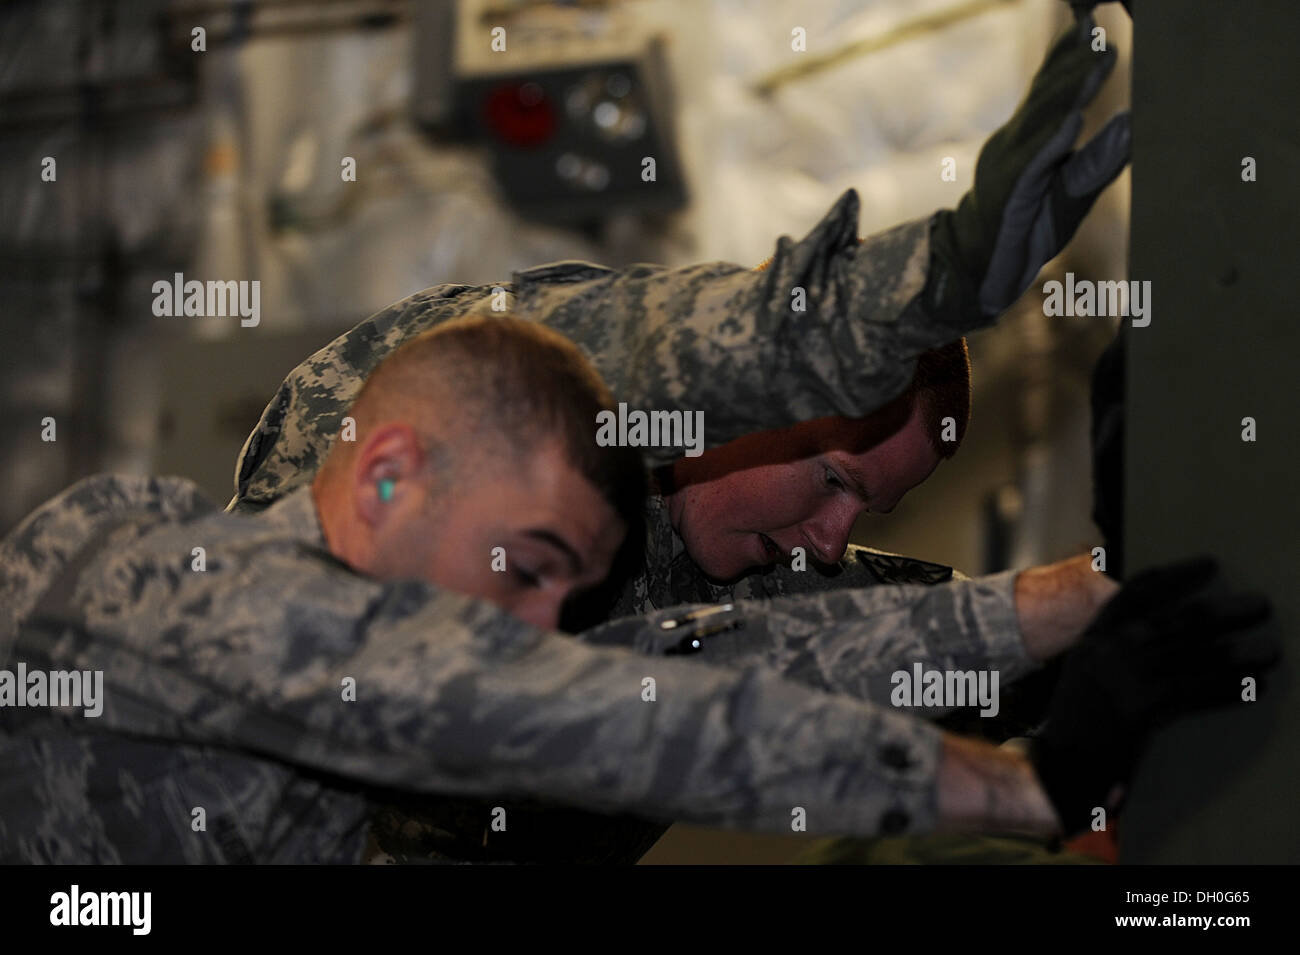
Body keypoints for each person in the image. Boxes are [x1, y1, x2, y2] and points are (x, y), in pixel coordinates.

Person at [0, 316, 1273, 864]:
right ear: (385, 475)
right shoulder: (163, 584)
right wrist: (1022, 789)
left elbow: (678, 674)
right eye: (529, 566)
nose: (546, 625)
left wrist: (1067, 603)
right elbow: (595, 715)